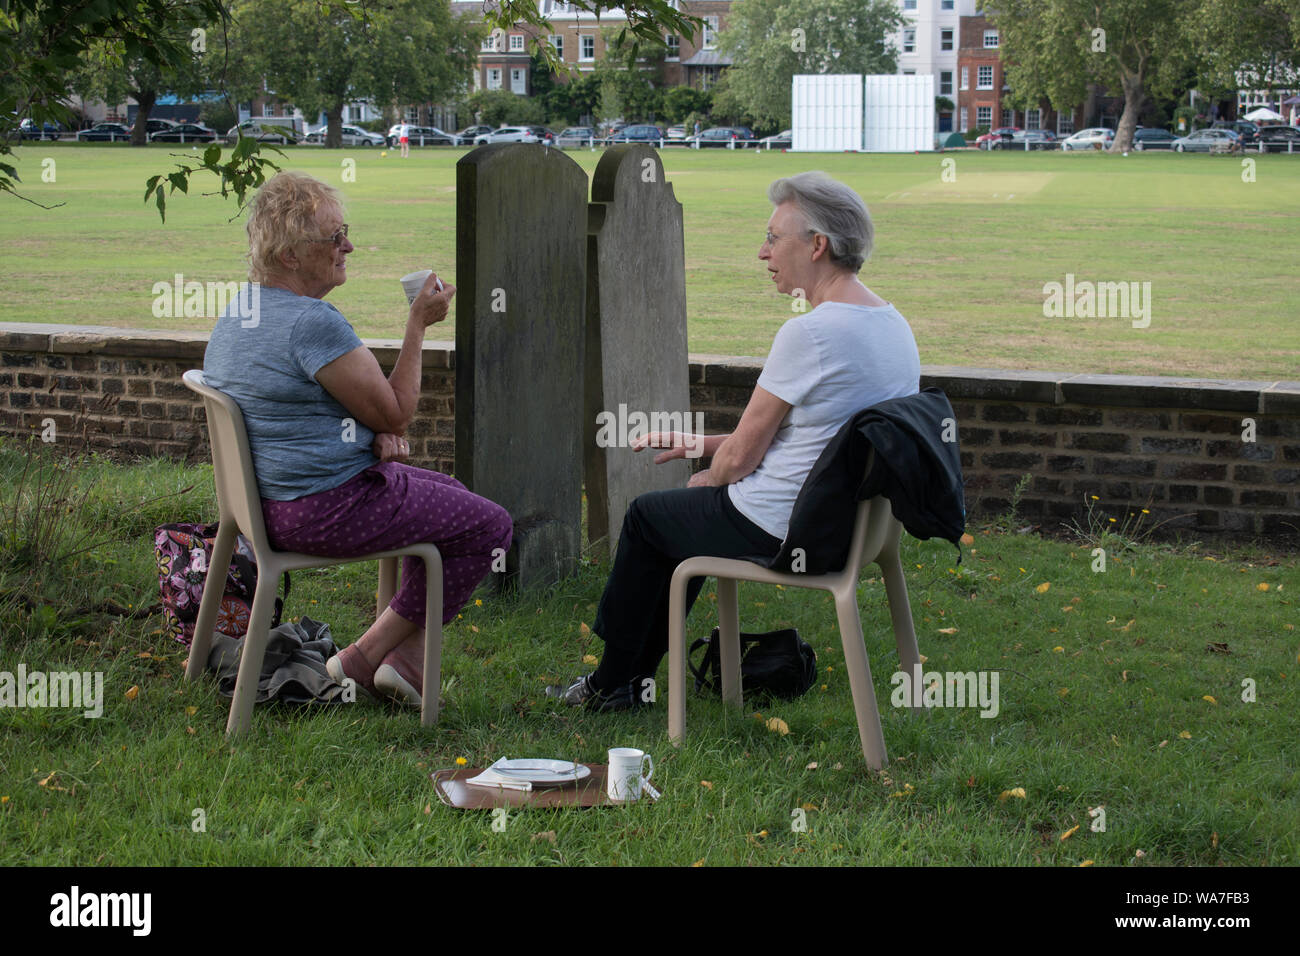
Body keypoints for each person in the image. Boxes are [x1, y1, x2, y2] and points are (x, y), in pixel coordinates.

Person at [547, 171, 920, 711]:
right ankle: (631, 678)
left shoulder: (810, 333)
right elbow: (812, 437)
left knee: (650, 519)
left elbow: (744, 456)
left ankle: (612, 683)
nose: (762, 252)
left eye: (774, 238)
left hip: (790, 528)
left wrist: (709, 477)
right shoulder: (891, 324)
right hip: (858, 528)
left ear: (817, 246)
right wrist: (703, 444)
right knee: (679, 520)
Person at [204, 171, 512, 705]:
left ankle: (403, 663)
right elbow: (395, 412)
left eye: (344, 231)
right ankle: (364, 659)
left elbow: (299, 409)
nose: (348, 246)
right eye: (333, 238)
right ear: (290, 256)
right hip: (323, 508)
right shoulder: (311, 322)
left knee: (455, 497)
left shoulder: (240, 311)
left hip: (263, 506)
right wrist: (418, 325)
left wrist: (368, 435)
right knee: (490, 525)